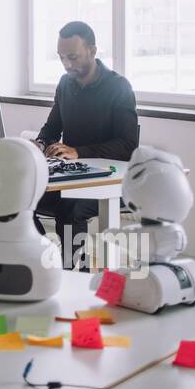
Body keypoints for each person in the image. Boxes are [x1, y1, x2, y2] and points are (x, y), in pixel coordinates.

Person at [33, 21, 139, 265]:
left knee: (70, 207)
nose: (67, 64)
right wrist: (41, 144)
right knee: (18, 196)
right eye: (61, 58)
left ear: (92, 50)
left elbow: (127, 145)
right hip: (71, 176)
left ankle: (71, 273)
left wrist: (78, 151)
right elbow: (51, 129)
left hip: (109, 180)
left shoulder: (118, 87)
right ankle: (45, 259)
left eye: (73, 57)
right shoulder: (65, 84)